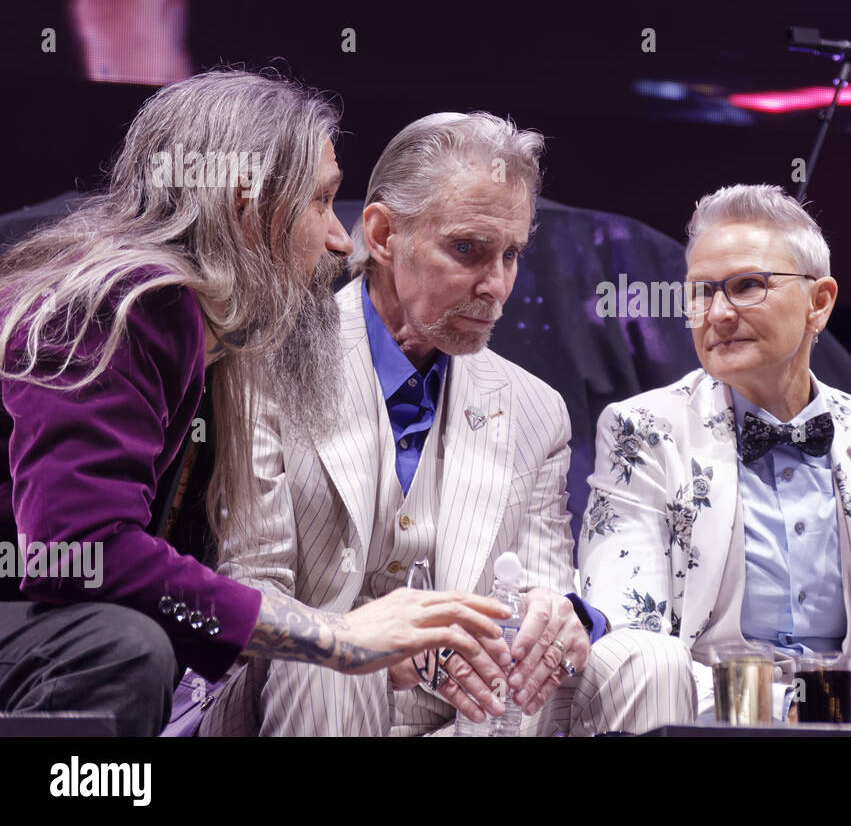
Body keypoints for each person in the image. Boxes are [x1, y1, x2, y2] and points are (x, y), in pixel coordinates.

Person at [0, 70, 511, 736]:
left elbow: (189, 589)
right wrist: (330, 637)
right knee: (121, 645)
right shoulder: (121, 306)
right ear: (247, 203)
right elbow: (80, 547)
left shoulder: (209, 334)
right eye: (322, 201)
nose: (340, 239)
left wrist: (364, 645)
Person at [202, 111, 695, 736]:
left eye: (511, 254)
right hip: (308, 694)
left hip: (470, 716)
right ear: (382, 236)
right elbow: (249, 590)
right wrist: (369, 641)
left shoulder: (535, 408)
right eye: (467, 249)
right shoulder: (264, 367)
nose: (495, 286)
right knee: (330, 664)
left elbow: (537, 591)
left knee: (651, 659)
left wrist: (557, 614)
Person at [580, 183, 851, 722]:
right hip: (701, 725)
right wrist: (819, 711)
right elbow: (634, 648)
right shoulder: (642, 432)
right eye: (702, 292)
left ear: (818, 303)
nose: (718, 313)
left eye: (747, 286)